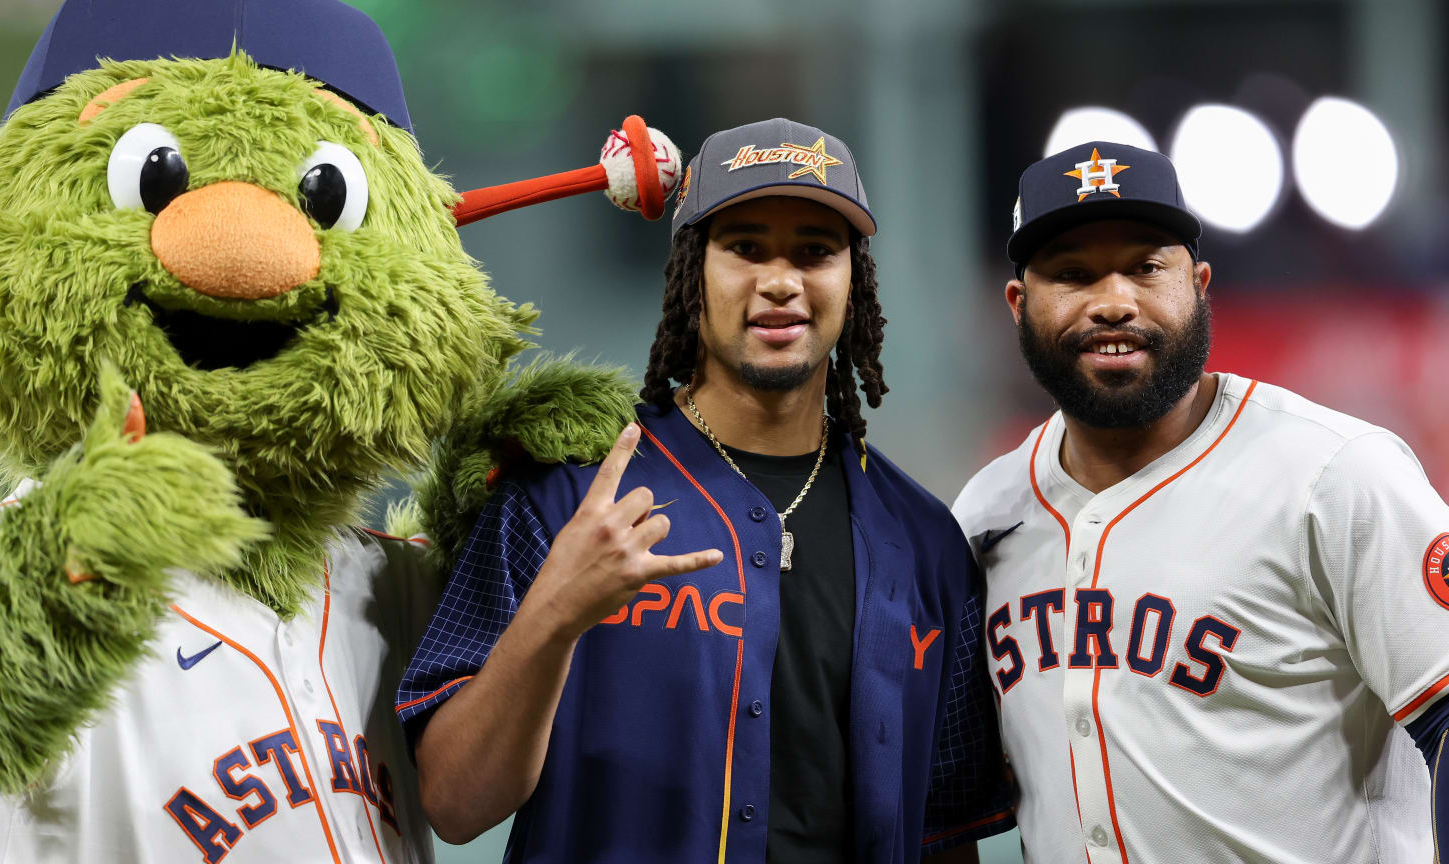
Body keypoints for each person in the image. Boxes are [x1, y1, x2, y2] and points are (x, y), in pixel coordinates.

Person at [397, 118, 1014, 863]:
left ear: (853, 280)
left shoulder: (922, 542)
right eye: (745, 248)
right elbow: (455, 804)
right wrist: (555, 613)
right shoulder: (565, 495)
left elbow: (945, 837)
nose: (780, 280)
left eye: (815, 251)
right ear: (693, 272)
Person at [954, 140, 1449, 862]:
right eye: (1073, 274)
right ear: (1020, 305)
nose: (1114, 300)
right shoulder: (986, 509)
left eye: (1147, 268)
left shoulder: (1335, 475)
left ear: (1200, 284)